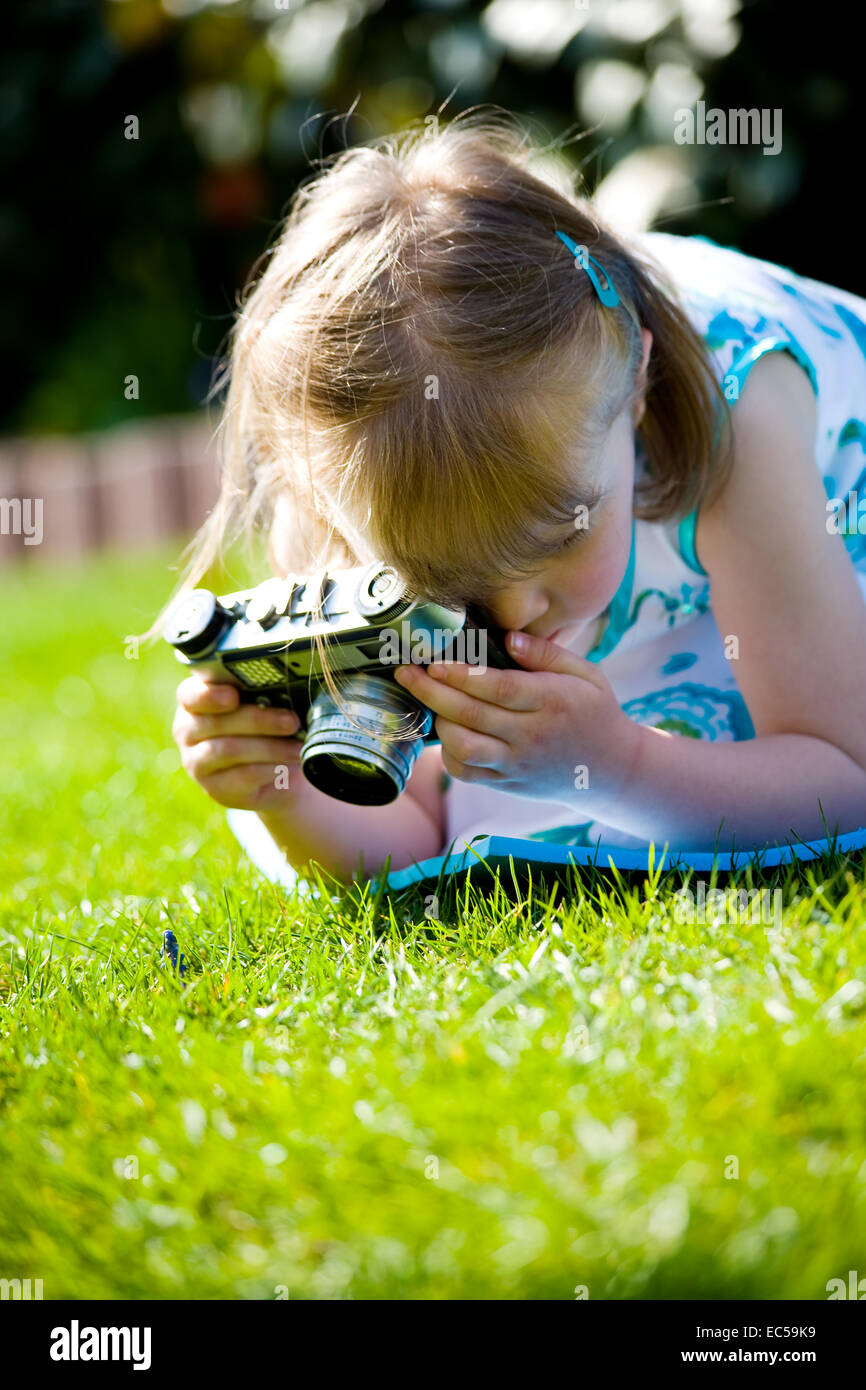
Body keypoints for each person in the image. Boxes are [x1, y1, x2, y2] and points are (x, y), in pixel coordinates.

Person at [165, 112, 866, 885]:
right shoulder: (364, 471)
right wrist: (283, 785)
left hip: (821, 534)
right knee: (530, 781)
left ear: (635, 387)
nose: (511, 617)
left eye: (556, 539)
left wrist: (617, 763)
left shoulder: (738, 405)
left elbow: (845, 780)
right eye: (444, 584)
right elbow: (418, 840)